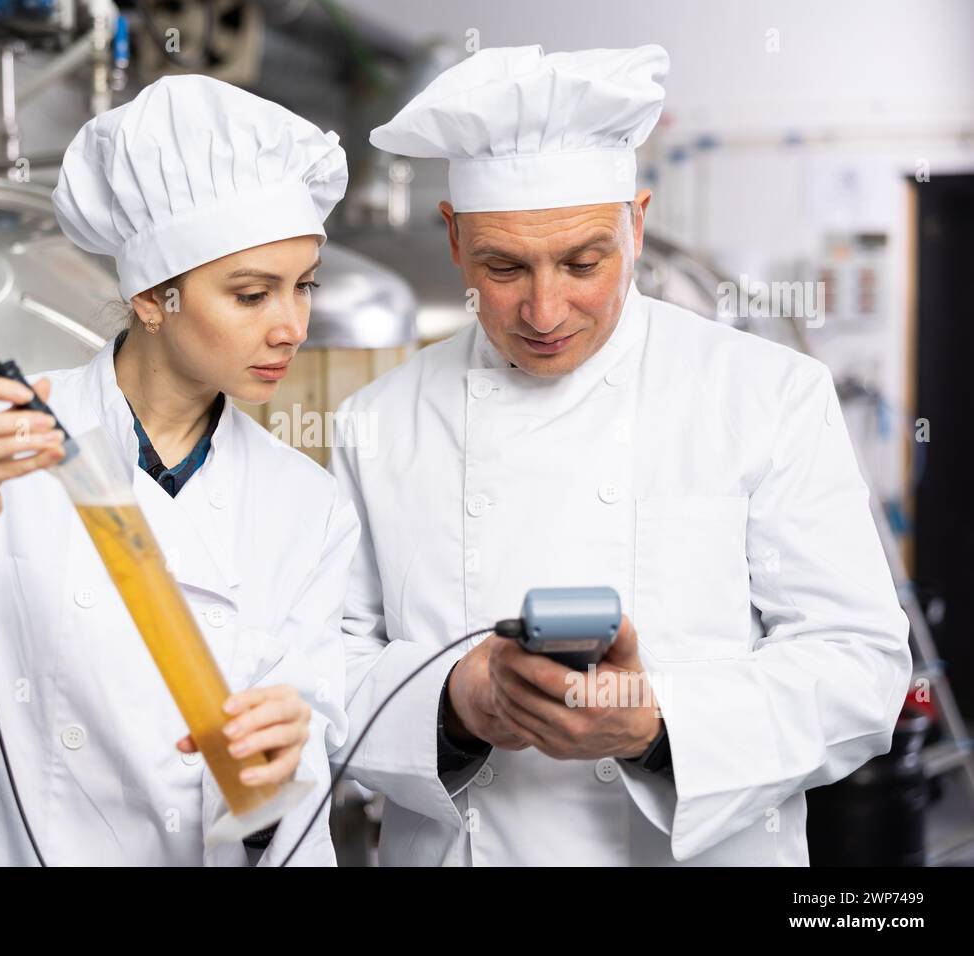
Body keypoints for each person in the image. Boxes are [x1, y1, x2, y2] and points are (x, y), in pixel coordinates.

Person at [330, 44, 911, 865]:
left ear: (636, 224)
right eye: (503, 267)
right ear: (454, 239)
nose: (544, 308)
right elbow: (322, 672)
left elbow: (862, 668)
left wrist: (657, 723)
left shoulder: (767, 395)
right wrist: (452, 704)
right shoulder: (377, 421)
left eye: (582, 262)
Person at [0, 74, 358, 866]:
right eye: (253, 294)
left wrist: (284, 751)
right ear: (154, 298)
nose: (291, 326)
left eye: (304, 287)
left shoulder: (306, 505)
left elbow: (289, 795)